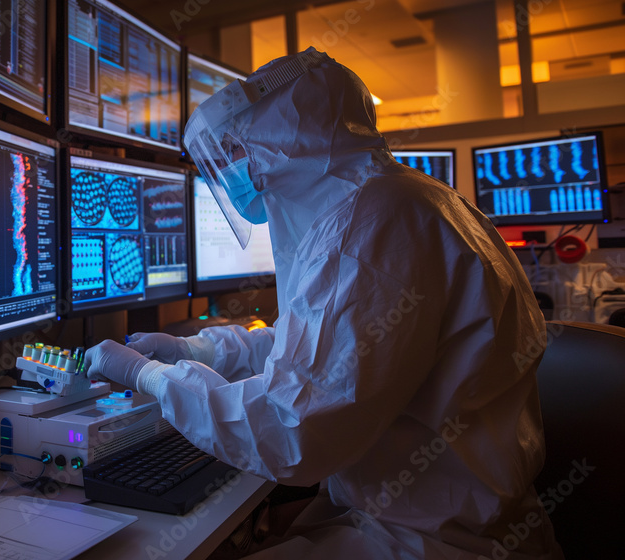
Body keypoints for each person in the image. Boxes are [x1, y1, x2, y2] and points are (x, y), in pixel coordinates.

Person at [83, 48, 562, 559]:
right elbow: (319, 348)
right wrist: (198, 352)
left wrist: (152, 378)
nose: (234, 169)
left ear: (282, 142)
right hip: (439, 517)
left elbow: (291, 433)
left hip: (428, 541)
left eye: (236, 150)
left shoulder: (368, 228)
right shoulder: (409, 200)